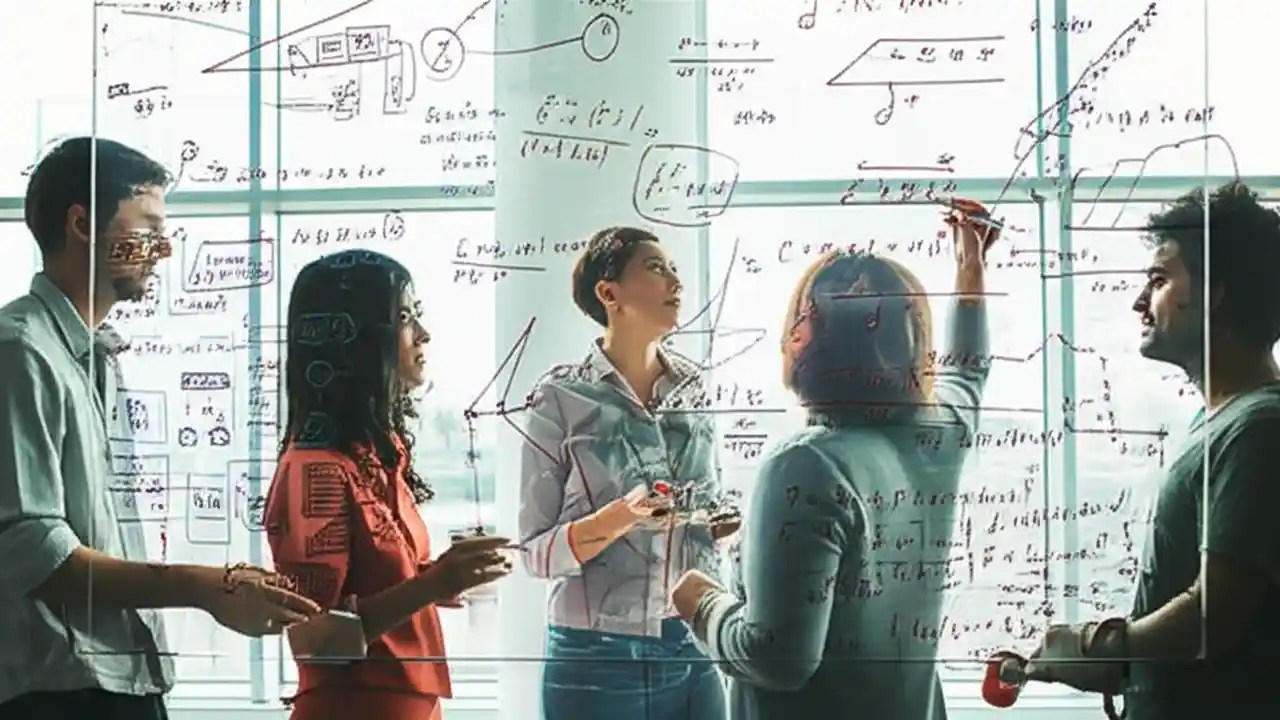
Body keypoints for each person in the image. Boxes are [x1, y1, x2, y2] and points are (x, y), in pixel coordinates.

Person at [0, 137, 321, 719]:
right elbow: (36, 555)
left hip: (118, 683)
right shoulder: (21, 352)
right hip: (61, 697)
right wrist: (204, 587)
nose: (164, 248)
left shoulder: (93, 358)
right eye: (146, 226)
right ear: (82, 224)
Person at [670, 200, 995, 720]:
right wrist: (970, 271)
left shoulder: (804, 465)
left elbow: (778, 660)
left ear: (801, 338)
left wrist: (701, 603)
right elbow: (968, 371)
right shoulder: (941, 434)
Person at [1015, 182, 1280, 719]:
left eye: (1158, 280)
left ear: (1213, 294)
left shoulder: (1259, 429)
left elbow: (1213, 616)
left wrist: (1094, 647)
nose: (1140, 300)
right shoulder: (1222, 422)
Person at [265, 249, 513, 720]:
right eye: (404, 317)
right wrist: (435, 582)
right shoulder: (313, 469)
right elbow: (316, 640)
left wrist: (443, 578)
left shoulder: (381, 455)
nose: (423, 334)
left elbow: (380, 588)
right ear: (356, 338)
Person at [519, 226, 739, 720]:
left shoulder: (695, 390)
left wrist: (719, 528)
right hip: (594, 658)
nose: (675, 282)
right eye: (656, 268)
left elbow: (707, 510)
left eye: (675, 269)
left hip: (694, 642)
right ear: (608, 292)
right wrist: (620, 517)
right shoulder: (559, 398)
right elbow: (534, 554)